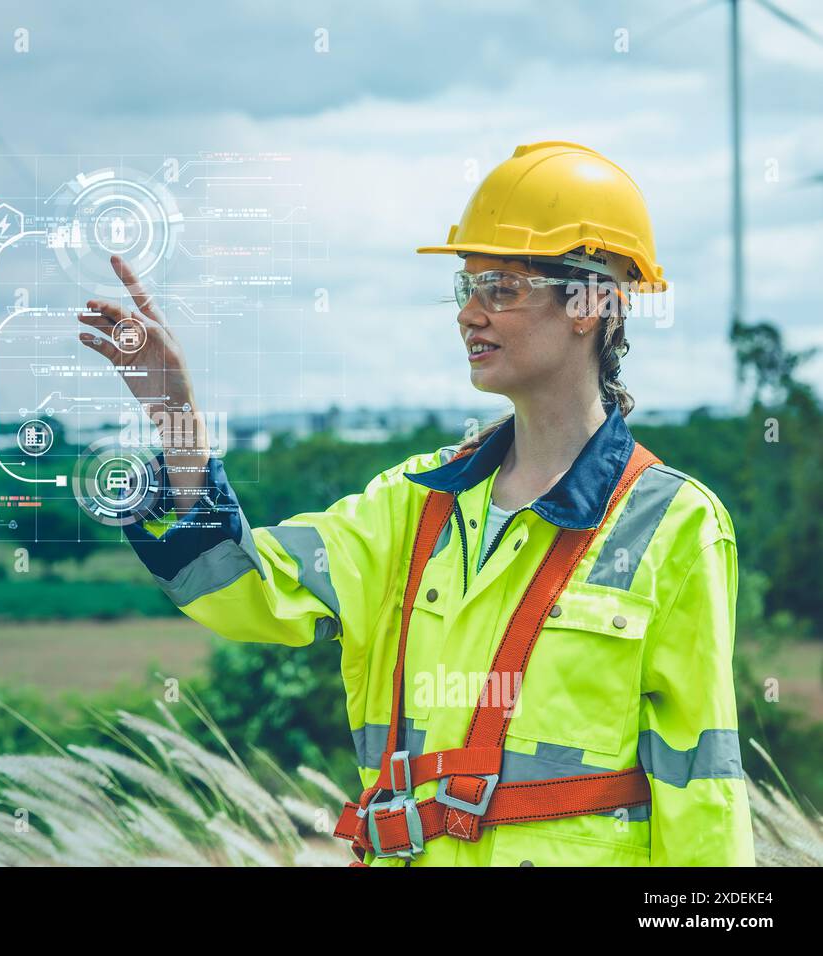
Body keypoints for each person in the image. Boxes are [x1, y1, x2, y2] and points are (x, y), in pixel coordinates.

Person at [77, 141, 754, 867]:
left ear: (590, 301)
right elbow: (244, 589)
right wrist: (178, 421)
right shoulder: (414, 506)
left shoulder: (675, 526)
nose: (470, 314)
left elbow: (701, 788)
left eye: (501, 286)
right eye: (466, 288)